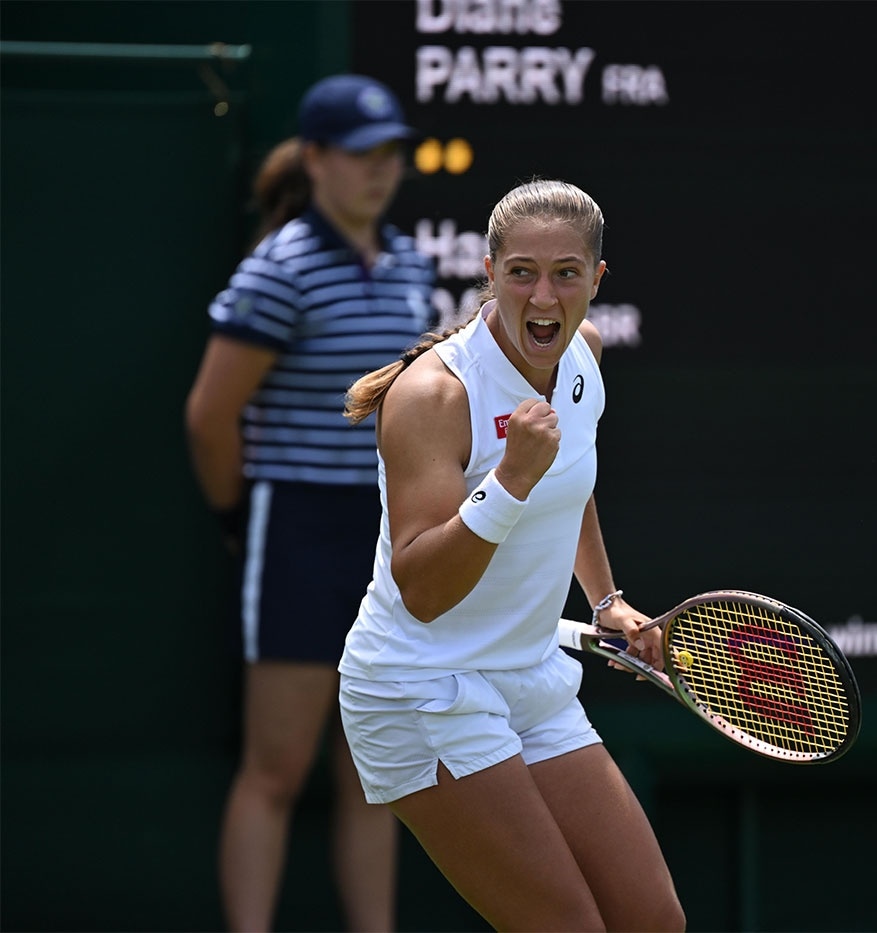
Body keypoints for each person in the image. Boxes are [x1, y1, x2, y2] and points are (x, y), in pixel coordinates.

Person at [338, 178, 686, 932]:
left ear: (597, 280)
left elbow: (572, 480)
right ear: (489, 274)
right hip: (420, 688)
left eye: (567, 272)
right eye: (521, 271)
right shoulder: (434, 397)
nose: (543, 294)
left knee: (651, 920)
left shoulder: (585, 355)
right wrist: (509, 479)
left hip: (526, 676)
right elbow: (423, 585)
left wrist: (605, 597)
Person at [184, 73, 436, 932]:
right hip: (293, 528)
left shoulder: (409, 262)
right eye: (362, 155)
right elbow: (211, 417)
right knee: (277, 768)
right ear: (319, 159)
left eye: (391, 154)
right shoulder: (282, 267)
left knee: (376, 769)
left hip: (384, 536)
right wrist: (236, 519)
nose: (381, 171)